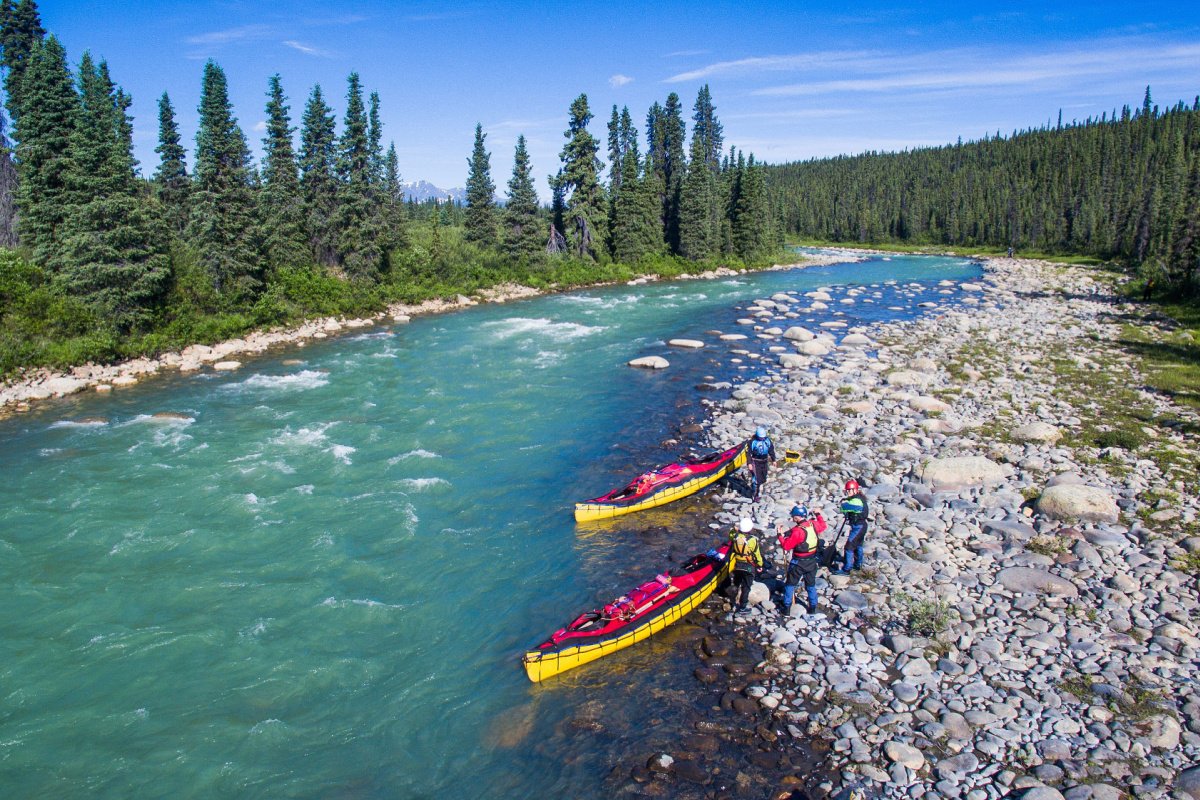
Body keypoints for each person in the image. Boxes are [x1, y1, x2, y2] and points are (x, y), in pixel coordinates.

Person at [775, 503, 827, 615]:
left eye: (793, 516)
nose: (792, 518)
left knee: (790, 584)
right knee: (811, 585)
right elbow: (823, 526)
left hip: (798, 563)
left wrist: (780, 536)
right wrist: (818, 514)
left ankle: (786, 608)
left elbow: (786, 546)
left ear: (797, 517)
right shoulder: (812, 524)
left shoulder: (798, 531)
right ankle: (812, 608)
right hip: (812, 561)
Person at [728, 518, 763, 611]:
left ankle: (732, 599)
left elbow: (730, 534)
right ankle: (742, 608)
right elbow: (757, 554)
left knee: (736, 582)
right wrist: (760, 565)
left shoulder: (735, 536)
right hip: (748, 565)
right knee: (746, 587)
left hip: (737, 564)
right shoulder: (752, 540)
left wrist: (734, 529)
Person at [837, 479, 870, 573]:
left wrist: (844, 504)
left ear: (855, 490)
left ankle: (847, 569)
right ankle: (857, 564)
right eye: (847, 491)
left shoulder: (856, 501)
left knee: (849, 547)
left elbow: (843, 507)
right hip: (861, 526)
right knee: (858, 545)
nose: (848, 492)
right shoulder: (859, 498)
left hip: (858, 527)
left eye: (849, 490)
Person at [747, 426, 776, 501]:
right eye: (761, 437)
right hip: (755, 461)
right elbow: (749, 453)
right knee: (756, 478)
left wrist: (774, 460)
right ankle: (755, 494)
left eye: (763, 437)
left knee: (763, 477)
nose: (762, 438)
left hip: (764, 461)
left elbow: (771, 450)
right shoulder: (752, 442)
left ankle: (758, 489)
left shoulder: (767, 441)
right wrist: (749, 463)